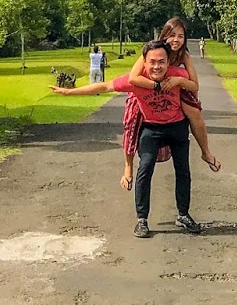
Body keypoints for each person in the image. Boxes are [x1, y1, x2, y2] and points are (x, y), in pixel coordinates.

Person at [52, 39, 203, 237]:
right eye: (152, 62)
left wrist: (181, 80)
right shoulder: (137, 80)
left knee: (183, 170)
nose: (157, 66)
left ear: (168, 62)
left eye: (161, 61)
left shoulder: (177, 75)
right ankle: (142, 219)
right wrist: (70, 92)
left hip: (176, 126)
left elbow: (194, 87)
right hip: (152, 128)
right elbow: (105, 87)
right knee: (145, 168)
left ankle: (183, 215)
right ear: (145, 62)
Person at [124, 17, 220, 175]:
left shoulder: (184, 55)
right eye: (172, 35)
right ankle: (128, 166)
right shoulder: (153, 50)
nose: (176, 40)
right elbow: (133, 78)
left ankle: (206, 152)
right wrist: (156, 86)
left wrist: (181, 82)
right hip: (147, 89)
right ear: (164, 35)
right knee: (131, 119)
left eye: (180, 36)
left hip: (173, 88)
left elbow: (194, 85)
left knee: (195, 113)